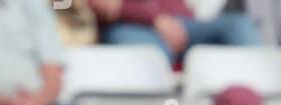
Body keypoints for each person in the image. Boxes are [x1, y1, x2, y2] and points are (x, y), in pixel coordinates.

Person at [90, 0, 261, 62]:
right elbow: (104, 5)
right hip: (131, 27)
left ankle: (257, 102)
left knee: (239, 25)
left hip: (185, 25)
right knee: (152, 54)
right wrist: (156, 19)